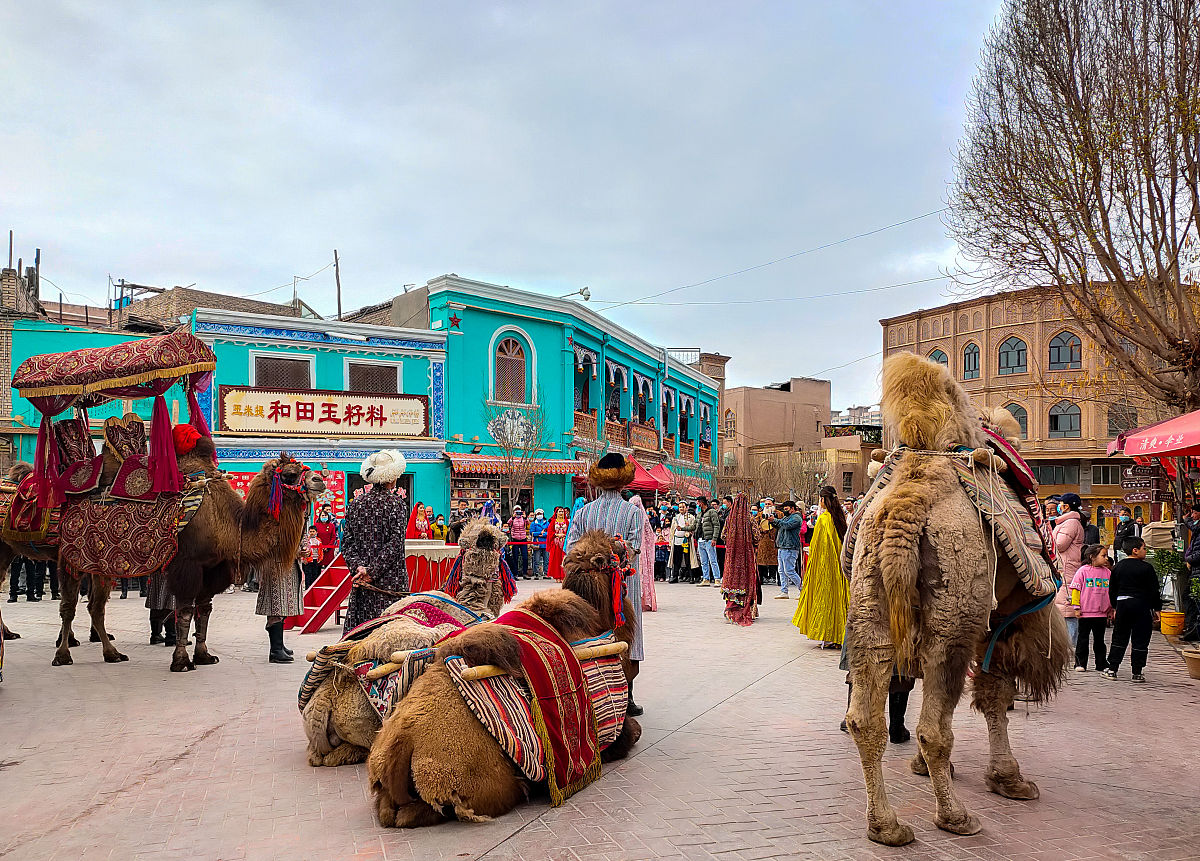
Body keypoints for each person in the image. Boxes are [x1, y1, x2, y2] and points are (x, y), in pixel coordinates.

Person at [564, 453, 647, 715]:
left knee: (590, 632)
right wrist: (614, 550)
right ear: (623, 482)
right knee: (625, 631)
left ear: (597, 482)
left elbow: (571, 547)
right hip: (621, 586)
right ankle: (627, 696)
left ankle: (593, 693)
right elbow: (634, 546)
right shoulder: (633, 512)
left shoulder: (584, 512)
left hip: (586, 587)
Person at [340, 450, 410, 635]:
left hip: (362, 583)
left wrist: (359, 569)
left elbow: (346, 543)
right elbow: (395, 544)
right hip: (389, 583)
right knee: (387, 636)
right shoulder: (397, 505)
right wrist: (372, 572)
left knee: (361, 633)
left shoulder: (355, 504)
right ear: (392, 477)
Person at [792, 486, 849, 648]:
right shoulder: (838, 518)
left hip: (825, 566)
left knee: (825, 597)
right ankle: (839, 635)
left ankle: (829, 634)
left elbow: (819, 545)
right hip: (837, 565)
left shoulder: (824, 519)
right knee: (838, 598)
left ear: (823, 500)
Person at [1104, 536, 1161, 682]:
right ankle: (1137, 672)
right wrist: (1157, 609)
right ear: (1135, 550)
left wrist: (1114, 607)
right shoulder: (1147, 568)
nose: (1145, 551)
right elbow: (1154, 590)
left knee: (1119, 637)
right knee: (1141, 639)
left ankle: (1112, 669)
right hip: (1142, 606)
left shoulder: (1118, 567)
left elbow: (1112, 590)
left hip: (1123, 605)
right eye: (1144, 548)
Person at [1071, 543, 1113, 672]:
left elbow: (1111, 592)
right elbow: (1076, 590)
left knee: (1099, 641)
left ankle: (1101, 664)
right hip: (1085, 613)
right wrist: (1076, 607)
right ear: (1092, 557)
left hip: (1101, 614)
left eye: (1107, 556)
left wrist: (1111, 609)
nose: (1106, 558)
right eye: (1103, 555)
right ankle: (1080, 663)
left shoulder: (1107, 573)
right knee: (1083, 639)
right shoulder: (1083, 571)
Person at [1052, 492, 1086, 647]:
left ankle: (1070, 645)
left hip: (1067, 567)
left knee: (1068, 608)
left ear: (1066, 506)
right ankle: (1067, 644)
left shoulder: (1071, 523)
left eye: (1060, 504)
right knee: (1064, 606)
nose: (1059, 506)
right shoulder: (1066, 522)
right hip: (1064, 565)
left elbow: (1060, 545)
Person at [721, 494, 759, 626]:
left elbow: (723, 535)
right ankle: (746, 607)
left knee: (731, 579)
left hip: (731, 555)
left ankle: (730, 608)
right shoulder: (750, 518)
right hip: (746, 555)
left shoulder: (729, 518)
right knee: (746, 580)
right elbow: (757, 536)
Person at [771, 500, 806, 598]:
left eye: (786, 509)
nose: (785, 511)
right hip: (782, 546)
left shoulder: (796, 518)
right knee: (781, 570)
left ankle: (803, 589)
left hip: (790, 547)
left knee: (789, 570)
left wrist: (775, 520)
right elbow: (780, 525)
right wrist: (773, 521)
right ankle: (784, 591)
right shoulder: (787, 517)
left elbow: (787, 525)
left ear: (793, 508)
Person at [631, 495, 658, 612]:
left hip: (639, 552)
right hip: (640, 551)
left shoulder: (638, 518)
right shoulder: (643, 518)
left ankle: (640, 601)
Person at [697, 497, 723, 586]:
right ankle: (706, 578)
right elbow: (695, 525)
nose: (698, 504)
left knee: (713, 560)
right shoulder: (700, 514)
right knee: (703, 561)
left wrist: (714, 538)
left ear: (702, 503)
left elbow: (716, 525)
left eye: (698, 502)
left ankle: (717, 578)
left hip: (709, 539)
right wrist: (683, 528)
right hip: (701, 539)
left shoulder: (712, 512)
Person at [756, 500, 779, 587]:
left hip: (774, 539)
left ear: (773, 504)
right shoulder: (760, 514)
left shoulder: (778, 514)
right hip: (763, 540)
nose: (767, 506)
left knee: (774, 560)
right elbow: (755, 525)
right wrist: (761, 529)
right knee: (762, 559)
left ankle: (773, 577)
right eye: (766, 504)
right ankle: (763, 577)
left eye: (769, 504)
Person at [546, 506, 571, 580]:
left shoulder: (566, 522)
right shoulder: (553, 522)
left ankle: (563, 576)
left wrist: (565, 535)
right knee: (556, 560)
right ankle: (557, 576)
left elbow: (570, 532)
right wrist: (556, 535)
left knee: (564, 559)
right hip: (556, 543)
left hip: (564, 543)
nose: (561, 513)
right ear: (556, 513)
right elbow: (550, 532)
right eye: (559, 511)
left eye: (562, 511)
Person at [506, 506, 530, 579]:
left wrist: (525, 517)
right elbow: (508, 524)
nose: (518, 512)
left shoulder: (523, 518)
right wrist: (513, 517)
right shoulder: (512, 519)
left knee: (525, 557)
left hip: (523, 539)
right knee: (515, 557)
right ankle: (515, 573)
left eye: (519, 511)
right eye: (516, 511)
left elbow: (528, 523)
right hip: (515, 539)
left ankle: (525, 573)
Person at [314, 503, 340, 567]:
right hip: (319, 548)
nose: (328, 512)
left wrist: (328, 546)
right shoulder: (316, 524)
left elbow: (334, 535)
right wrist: (320, 546)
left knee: (329, 565)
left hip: (330, 546)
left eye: (330, 510)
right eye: (327, 510)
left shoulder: (333, 522)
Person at [528, 508, 549, 579]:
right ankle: (536, 573)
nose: (539, 515)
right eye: (538, 514)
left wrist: (543, 534)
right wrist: (540, 533)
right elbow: (532, 532)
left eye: (541, 514)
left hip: (545, 543)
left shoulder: (547, 523)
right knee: (536, 560)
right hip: (537, 544)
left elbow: (549, 533)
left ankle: (546, 573)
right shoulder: (533, 523)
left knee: (546, 559)